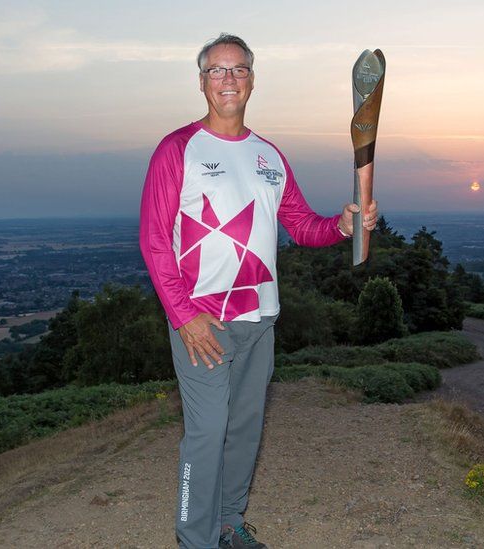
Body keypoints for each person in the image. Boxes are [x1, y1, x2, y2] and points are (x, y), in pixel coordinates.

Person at [139, 33, 378, 549]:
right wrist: (183, 317)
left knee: (244, 430)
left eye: (239, 70)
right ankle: (194, 538)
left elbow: (302, 226)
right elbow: (155, 242)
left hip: (260, 320)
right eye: (218, 71)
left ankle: (228, 525)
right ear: (202, 82)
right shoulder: (176, 149)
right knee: (206, 435)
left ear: (252, 80)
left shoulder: (269, 156)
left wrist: (342, 223)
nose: (229, 80)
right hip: (202, 323)